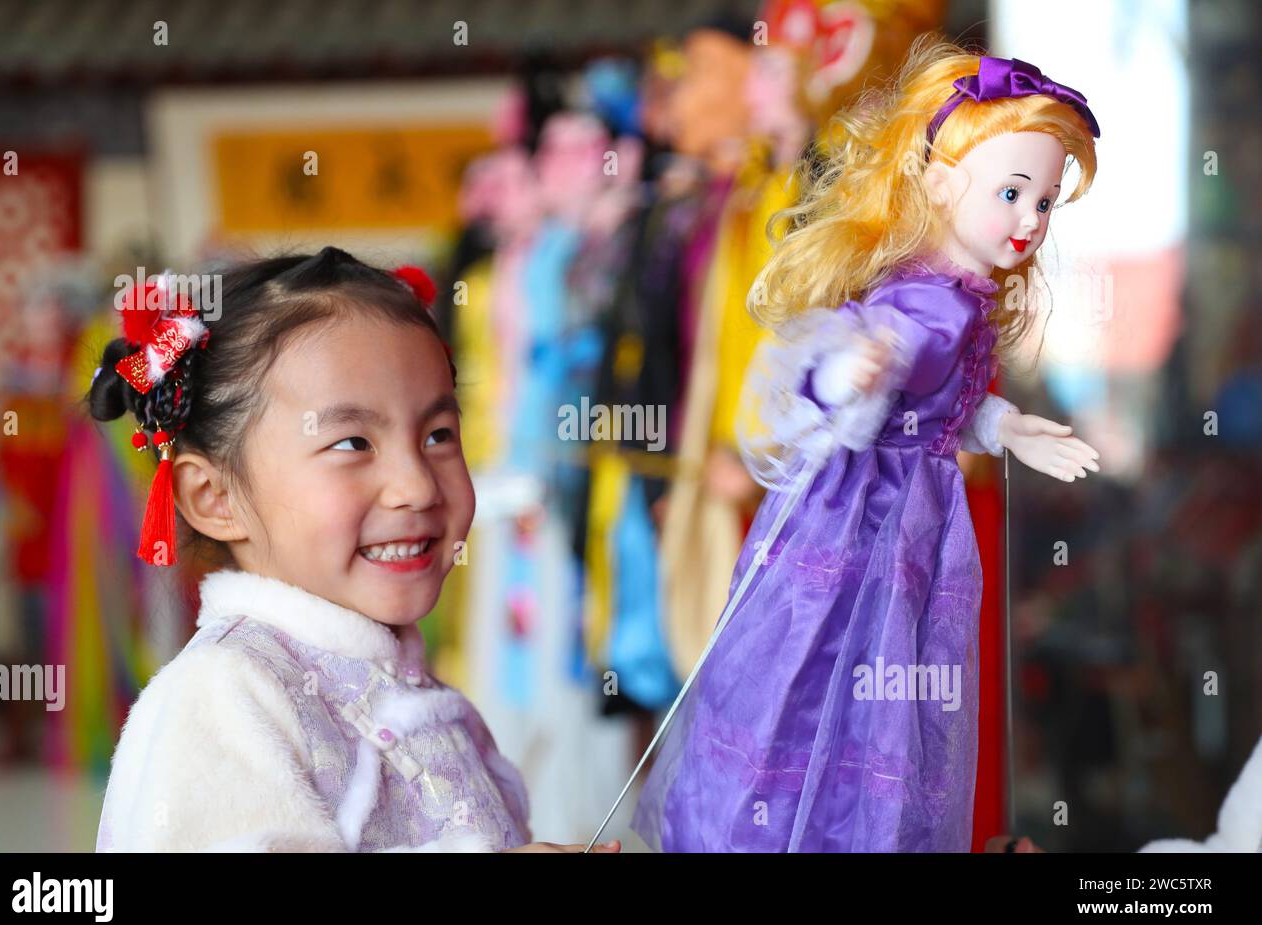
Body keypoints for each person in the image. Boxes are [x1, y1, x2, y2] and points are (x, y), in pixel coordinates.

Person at [632, 39, 1102, 851]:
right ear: (940, 179)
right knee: (831, 680)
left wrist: (1008, 427)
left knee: (879, 696)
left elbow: (944, 401)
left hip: (908, 522)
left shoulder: (956, 298)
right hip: (864, 523)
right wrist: (854, 373)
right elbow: (851, 367)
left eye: (1044, 201)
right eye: (1013, 193)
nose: (1029, 220)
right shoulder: (923, 302)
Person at [89, 247, 618, 853]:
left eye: (439, 435)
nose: (417, 485)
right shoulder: (219, 694)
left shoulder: (403, 682)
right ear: (214, 497)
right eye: (352, 443)